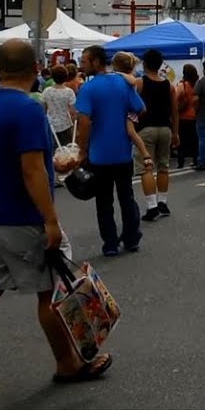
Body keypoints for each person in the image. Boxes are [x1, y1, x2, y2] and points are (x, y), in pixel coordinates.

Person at [0, 40, 109, 407]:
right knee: (51, 291)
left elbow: (11, 159)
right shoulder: (27, 109)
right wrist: (51, 220)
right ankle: (67, 363)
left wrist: (51, 167)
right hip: (20, 216)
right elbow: (30, 170)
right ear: (35, 68)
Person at [75, 45, 146, 257]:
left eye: (84, 62)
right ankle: (132, 238)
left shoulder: (87, 88)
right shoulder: (123, 84)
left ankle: (111, 244)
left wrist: (81, 150)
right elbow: (140, 108)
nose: (81, 65)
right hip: (123, 152)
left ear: (96, 62)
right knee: (127, 197)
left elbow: (84, 121)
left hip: (99, 154)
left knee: (104, 202)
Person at [134, 50, 178, 221]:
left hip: (146, 129)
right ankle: (163, 202)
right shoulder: (169, 85)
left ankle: (152, 206)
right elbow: (174, 111)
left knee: (146, 167)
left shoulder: (140, 83)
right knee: (163, 166)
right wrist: (175, 132)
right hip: (165, 128)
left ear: (144, 64)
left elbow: (132, 106)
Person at [41, 65, 77, 147]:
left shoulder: (47, 91)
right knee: (66, 151)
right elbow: (72, 112)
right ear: (65, 76)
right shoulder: (69, 92)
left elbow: (44, 109)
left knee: (52, 151)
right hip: (66, 125)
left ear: (52, 77)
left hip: (51, 125)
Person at [175, 64, 199, 169]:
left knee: (182, 141)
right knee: (195, 140)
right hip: (195, 115)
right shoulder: (197, 84)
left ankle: (181, 161)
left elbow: (175, 97)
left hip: (183, 117)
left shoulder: (182, 85)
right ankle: (196, 159)